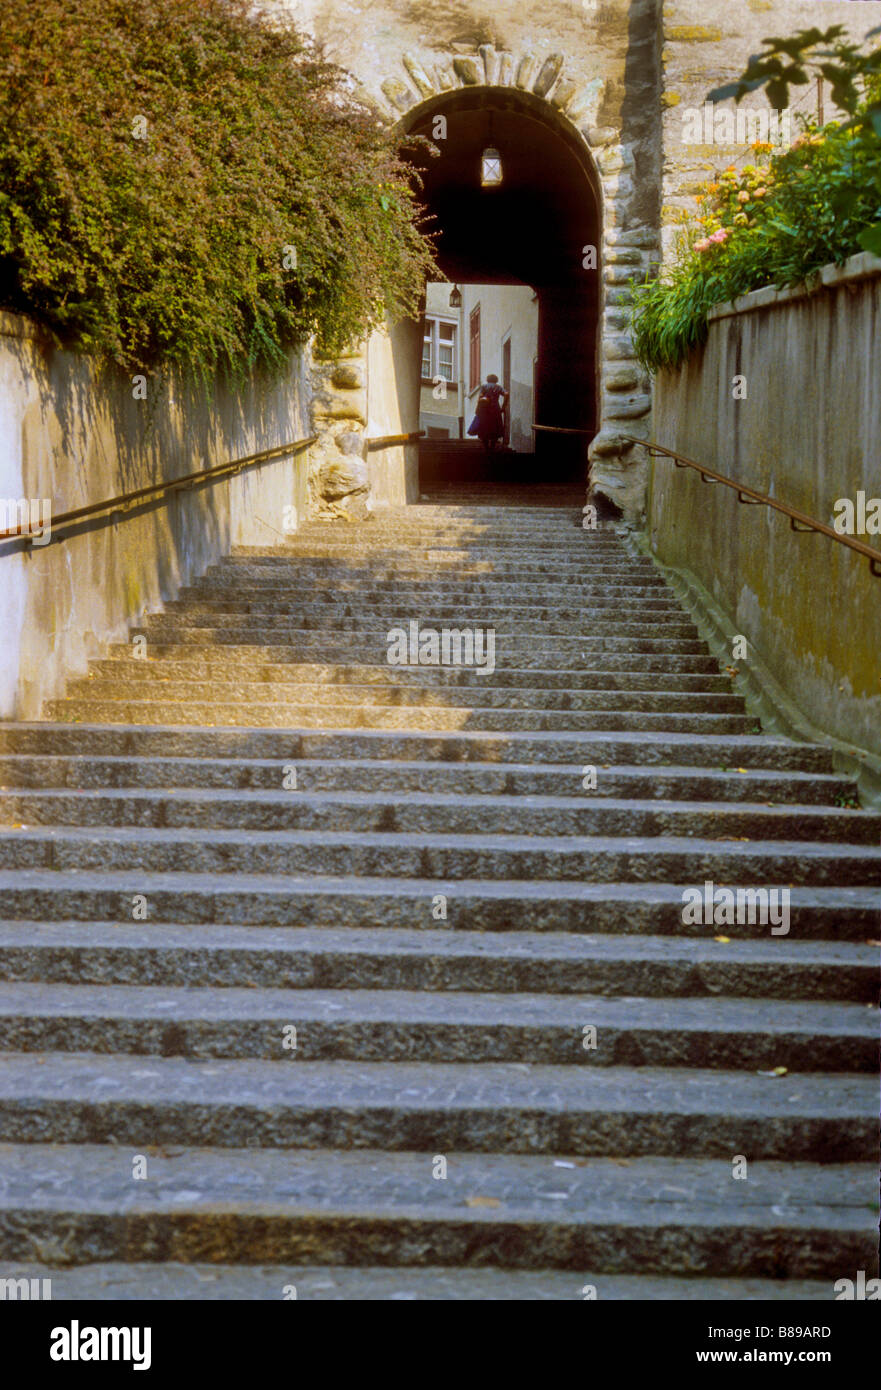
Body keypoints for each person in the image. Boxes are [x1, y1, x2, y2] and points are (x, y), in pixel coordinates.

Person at [468, 374, 507, 451]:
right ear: (496, 380)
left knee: (484, 427)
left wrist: (478, 408)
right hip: (495, 409)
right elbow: (506, 393)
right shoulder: (498, 387)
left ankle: (486, 447)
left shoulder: (484, 387)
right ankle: (492, 446)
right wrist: (503, 406)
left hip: (485, 410)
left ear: (487, 379)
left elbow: (480, 397)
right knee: (495, 426)